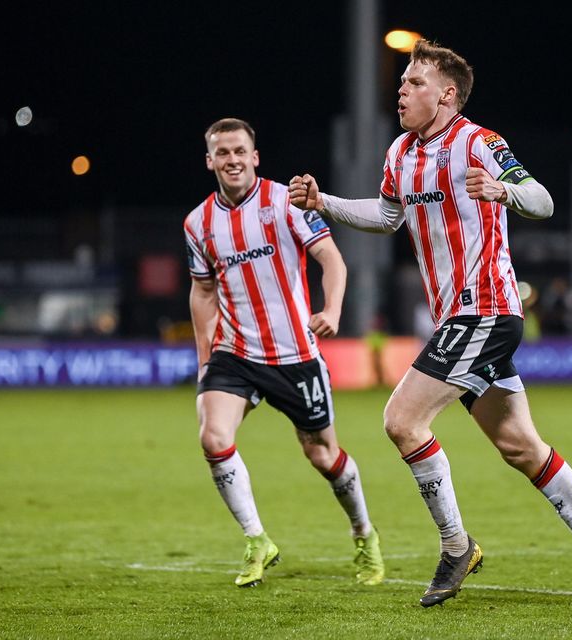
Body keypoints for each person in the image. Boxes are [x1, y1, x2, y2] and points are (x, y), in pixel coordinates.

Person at [288, 40, 572, 611]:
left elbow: (543, 200)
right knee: (521, 446)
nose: (401, 90)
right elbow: (389, 215)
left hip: (488, 310)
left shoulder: (479, 142)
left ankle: (456, 545)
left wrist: (504, 190)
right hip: (460, 318)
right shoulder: (400, 152)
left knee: (401, 419)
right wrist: (324, 201)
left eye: (414, 82)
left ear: (447, 95)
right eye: (401, 82)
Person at [184, 118, 385, 588]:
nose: (232, 159)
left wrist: (331, 308)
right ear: (210, 160)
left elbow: (331, 258)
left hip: (295, 354)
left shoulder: (284, 202)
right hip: (235, 354)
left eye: (240, 151)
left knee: (322, 454)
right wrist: (203, 362)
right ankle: (257, 540)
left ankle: (364, 533)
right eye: (223, 152)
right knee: (213, 436)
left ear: (254, 157)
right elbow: (202, 293)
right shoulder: (198, 224)